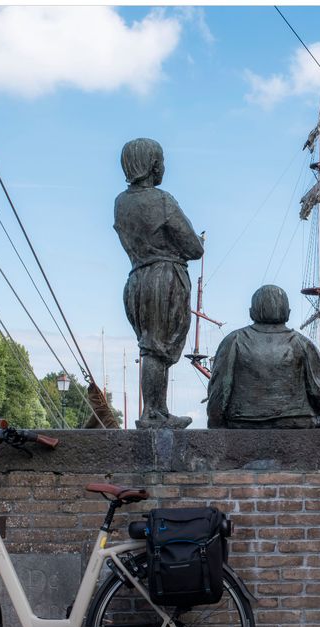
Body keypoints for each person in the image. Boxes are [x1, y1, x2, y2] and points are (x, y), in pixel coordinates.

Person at [114, 138, 203, 429]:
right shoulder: (162, 201)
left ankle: (158, 410)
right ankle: (153, 412)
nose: (164, 167)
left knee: (151, 345)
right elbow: (194, 248)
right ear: (153, 165)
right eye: (161, 161)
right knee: (156, 347)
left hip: (137, 278)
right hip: (163, 279)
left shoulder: (121, 203)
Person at [207, 285, 320, 429]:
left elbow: (220, 391)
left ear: (251, 312)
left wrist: (215, 425)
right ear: (288, 313)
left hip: (242, 422)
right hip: (295, 421)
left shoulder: (233, 340)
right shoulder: (303, 344)